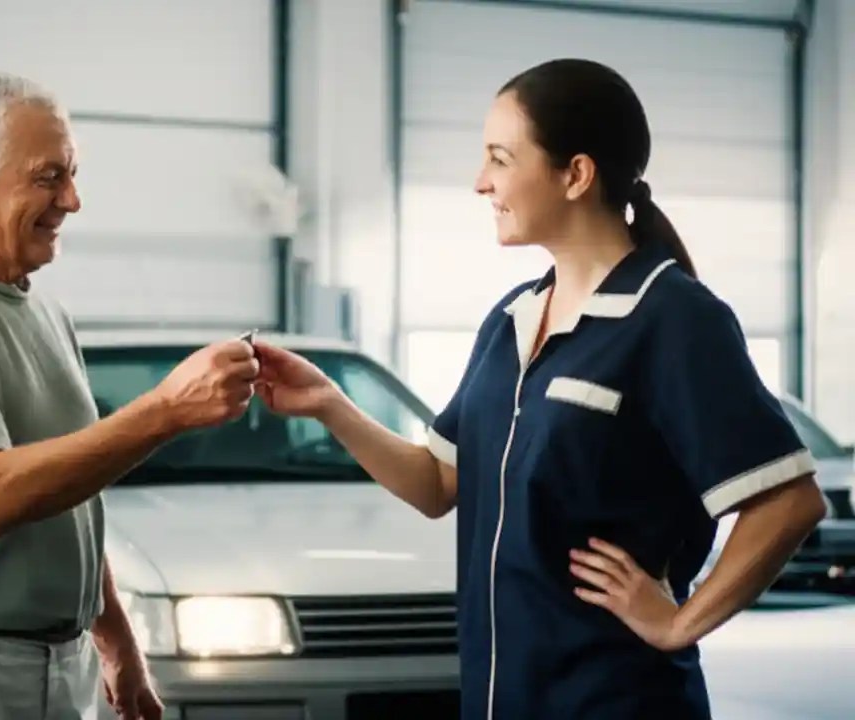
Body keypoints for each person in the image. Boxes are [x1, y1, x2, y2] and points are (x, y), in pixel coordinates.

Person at [252, 58, 827, 719]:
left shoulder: (672, 318)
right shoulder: (511, 319)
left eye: (500, 158)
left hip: (616, 701)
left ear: (575, 174)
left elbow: (787, 501)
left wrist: (680, 622)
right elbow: (438, 484)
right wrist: (328, 404)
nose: (480, 183)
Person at [0, 71, 260, 720]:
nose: (73, 199)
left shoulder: (45, 312)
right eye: (48, 177)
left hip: (59, 663)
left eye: (72, 174)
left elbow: (73, 503)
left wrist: (118, 645)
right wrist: (167, 409)